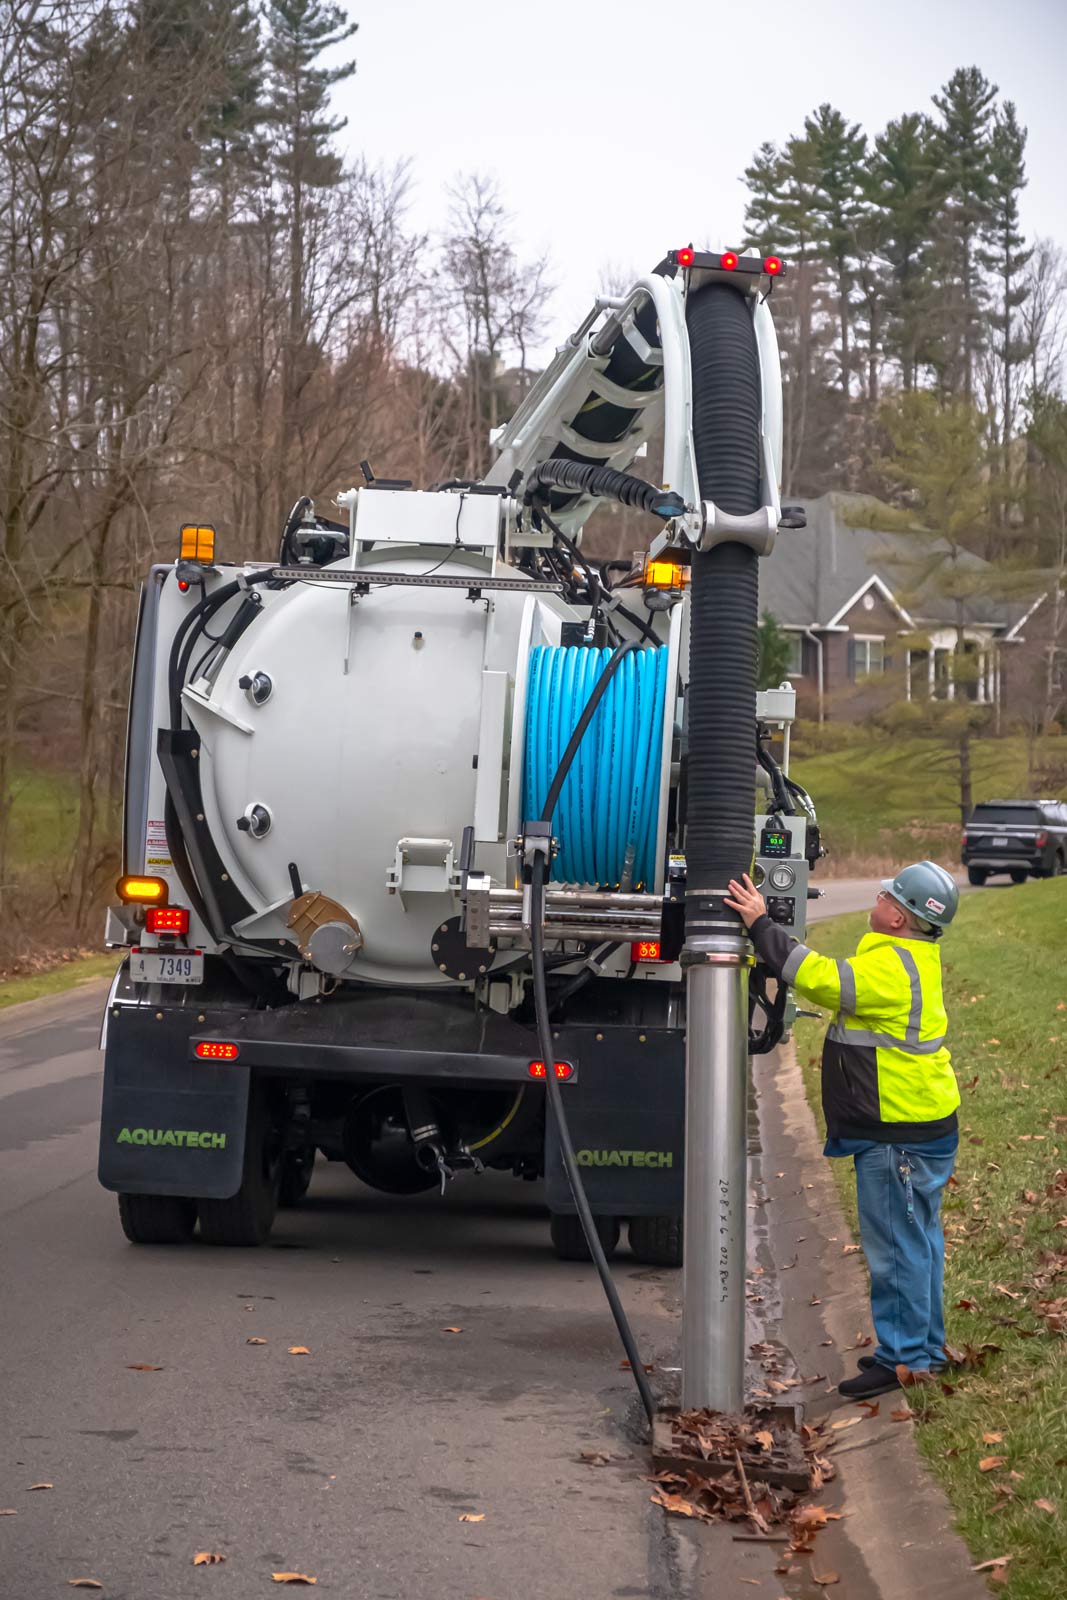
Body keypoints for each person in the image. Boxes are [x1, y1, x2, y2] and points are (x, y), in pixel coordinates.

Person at [724, 861, 961, 1400]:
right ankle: (921, 1350)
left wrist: (761, 925)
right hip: (920, 1124)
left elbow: (820, 978)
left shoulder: (891, 966)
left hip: (897, 1131)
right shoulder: (908, 955)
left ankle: (902, 1360)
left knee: (898, 1248)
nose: (877, 895)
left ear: (898, 916)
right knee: (919, 1240)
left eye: (886, 894)